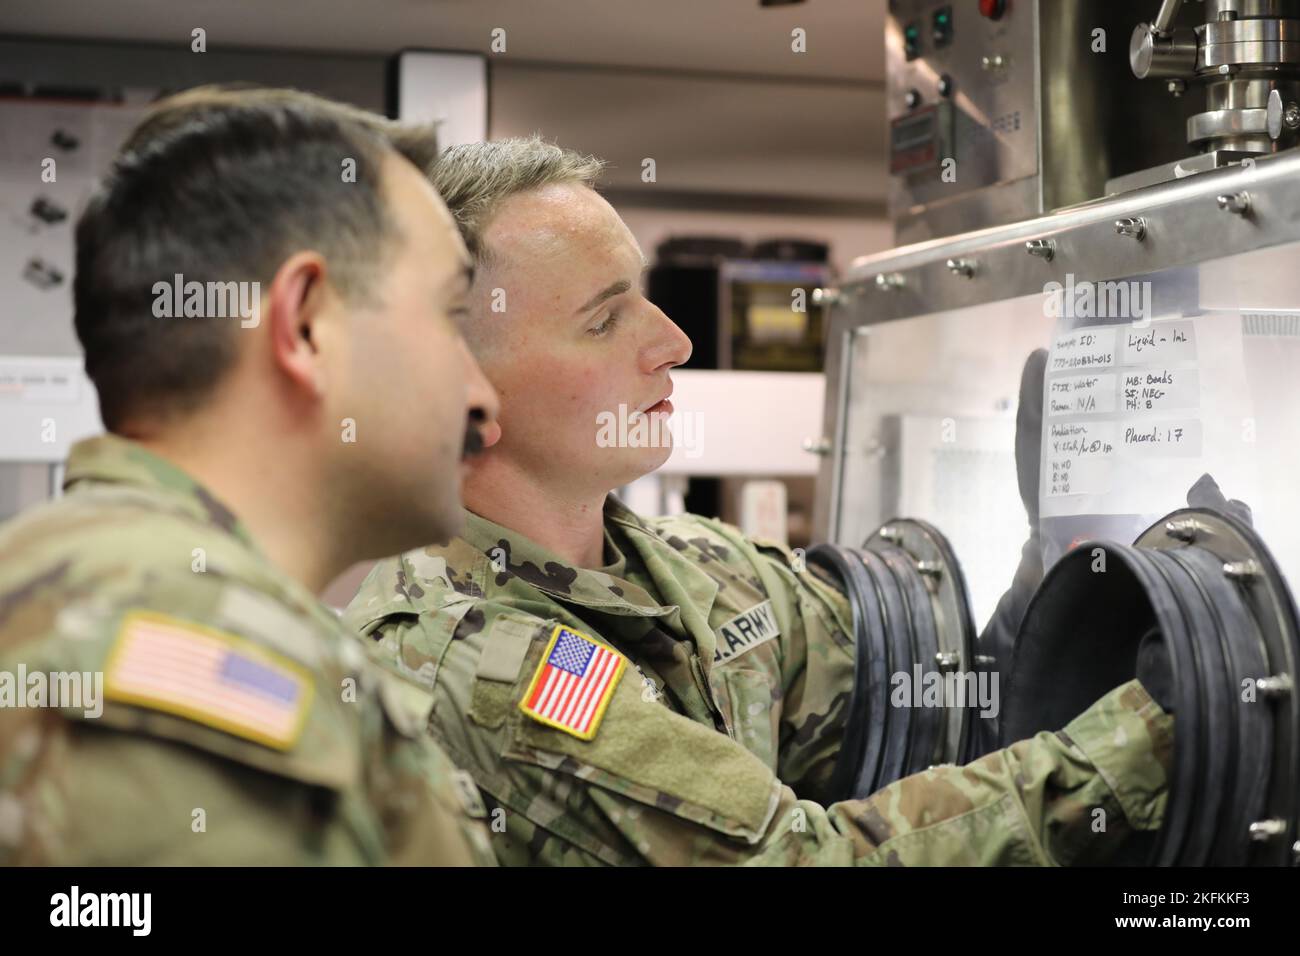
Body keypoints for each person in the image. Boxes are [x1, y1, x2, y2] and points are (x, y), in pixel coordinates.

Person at [344, 137, 1172, 865]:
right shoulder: (473, 666)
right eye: (604, 321)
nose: (674, 341)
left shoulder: (697, 569)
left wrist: (1059, 554)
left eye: (645, 295)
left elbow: (945, 698)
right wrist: (1162, 724)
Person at [0, 87, 500, 865]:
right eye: (452, 315)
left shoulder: (92, 589)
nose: (482, 397)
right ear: (303, 325)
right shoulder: (189, 646)